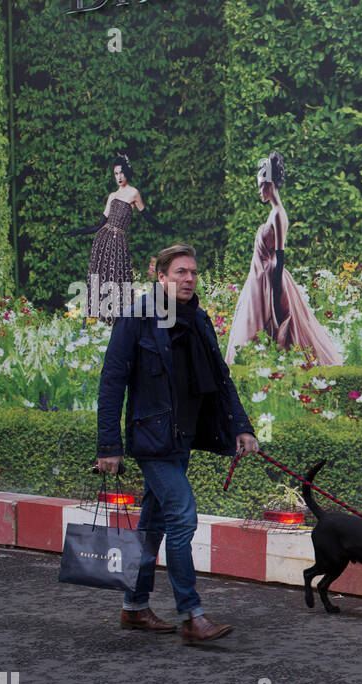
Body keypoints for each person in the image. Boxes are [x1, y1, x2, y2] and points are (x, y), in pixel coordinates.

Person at [97, 244, 259, 642]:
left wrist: (242, 426)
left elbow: (220, 377)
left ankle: (134, 609)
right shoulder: (136, 317)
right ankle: (191, 615)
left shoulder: (199, 319)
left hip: (182, 437)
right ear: (161, 276)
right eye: (180, 273)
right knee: (183, 516)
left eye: (193, 273)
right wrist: (108, 446)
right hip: (152, 440)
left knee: (152, 525)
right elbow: (112, 381)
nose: (189, 279)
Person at [224, 151, 343, 366]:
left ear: (270, 185)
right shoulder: (273, 213)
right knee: (254, 324)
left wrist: (276, 289)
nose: (259, 191)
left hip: (268, 278)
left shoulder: (279, 214)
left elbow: (280, 254)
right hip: (260, 277)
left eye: (261, 186)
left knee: (272, 324)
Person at [69, 154, 166, 323]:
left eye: (121, 172)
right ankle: (93, 319)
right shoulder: (112, 196)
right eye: (116, 174)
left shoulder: (134, 193)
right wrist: (77, 231)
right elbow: (99, 224)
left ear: (127, 172)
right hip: (103, 239)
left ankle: (119, 319)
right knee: (98, 275)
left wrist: (163, 228)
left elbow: (147, 216)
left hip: (119, 241)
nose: (119, 177)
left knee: (118, 278)